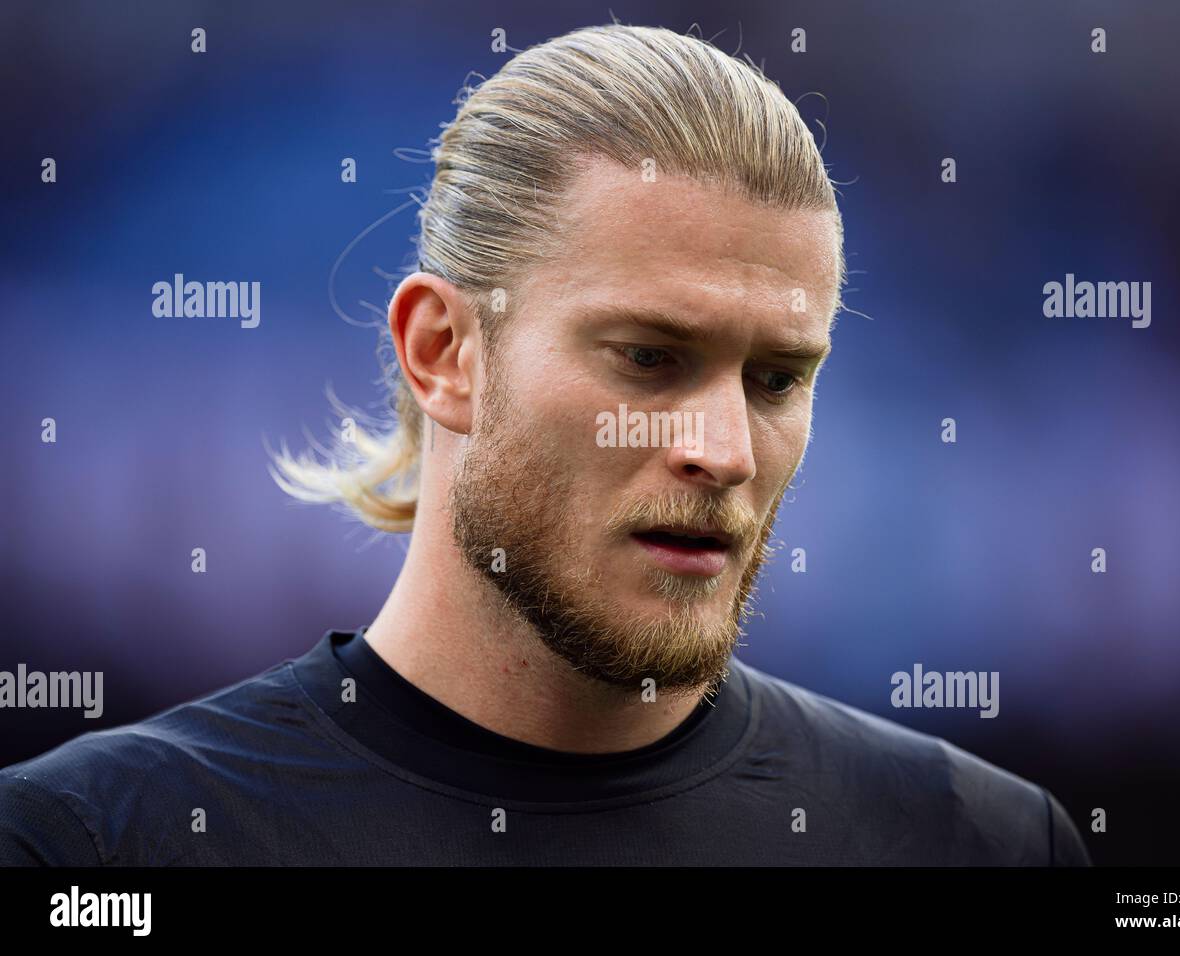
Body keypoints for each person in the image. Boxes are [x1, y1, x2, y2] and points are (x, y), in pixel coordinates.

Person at [0, 23, 1089, 865]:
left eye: (776, 380)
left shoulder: (979, 843)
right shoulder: (91, 844)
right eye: (649, 357)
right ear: (444, 353)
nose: (724, 450)